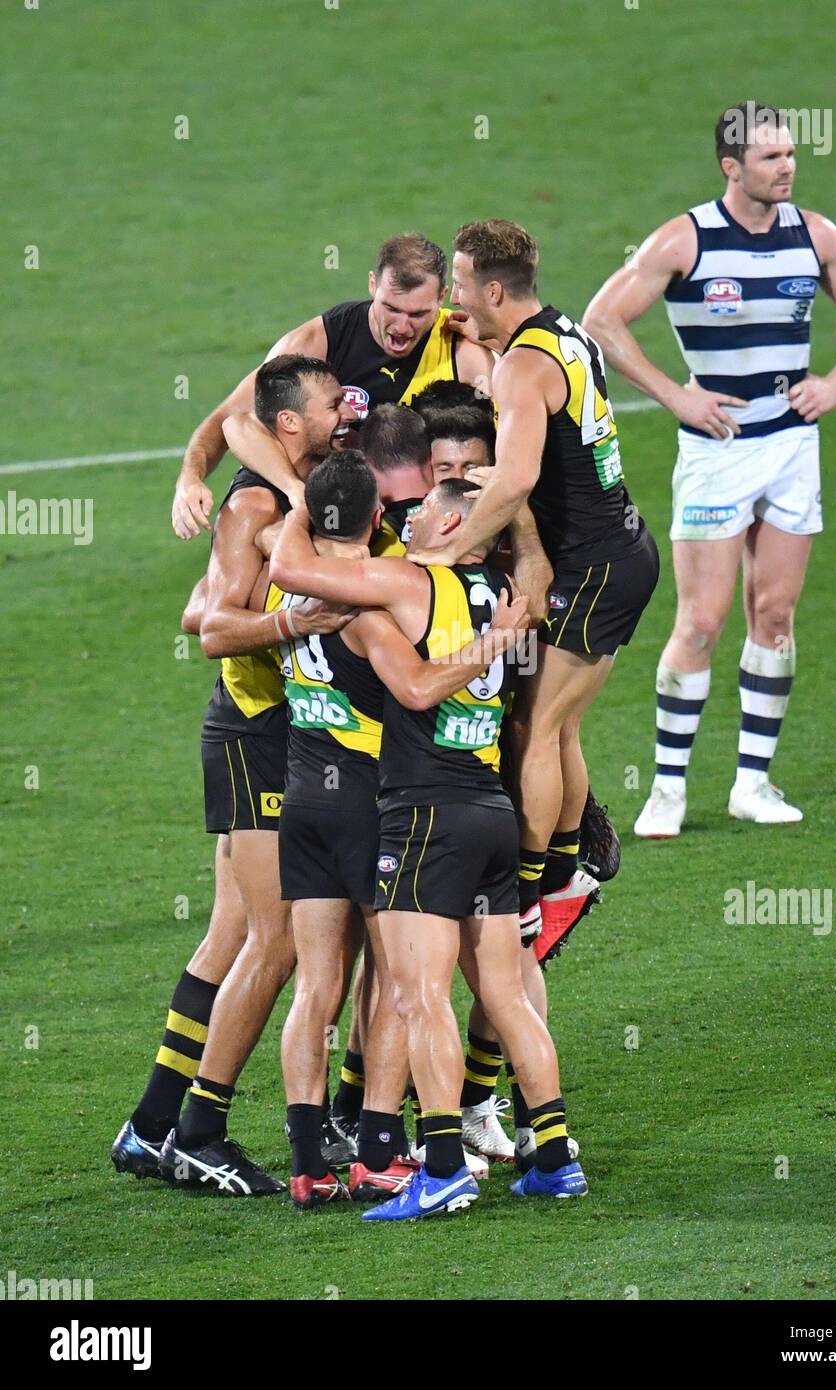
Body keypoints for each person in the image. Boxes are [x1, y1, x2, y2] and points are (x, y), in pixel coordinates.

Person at [270, 478, 589, 1217]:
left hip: (425, 815)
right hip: (491, 810)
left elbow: (293, 573)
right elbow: (534, 588)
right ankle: (554, 1156)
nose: (409, 519)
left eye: (424, 511)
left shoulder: (406, 583)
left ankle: (441, 1166)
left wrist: (299, 500)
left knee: (419, 996)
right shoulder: (510, 588)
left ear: (453, 524)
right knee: (506, 996)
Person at [582, 102, 836, 836]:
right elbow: (601, 320)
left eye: (790, 156)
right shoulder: (685, 239)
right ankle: (668, 790)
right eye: (771, 158)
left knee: (775, 614)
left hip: (791, 448)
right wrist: (674, 395)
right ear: (732, 166)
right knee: (702, 620)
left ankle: (753, 782)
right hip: (718, 452)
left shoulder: (816, 235)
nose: (786, 168)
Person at [407, 220, 659, 963]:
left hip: (593, 565)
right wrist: (477, 331)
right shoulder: (560, 331)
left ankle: (539, 892)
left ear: (493, 288)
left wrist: (449, 549)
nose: (453, 298)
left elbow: (516, 476)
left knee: (534, 730)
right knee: (556, 725)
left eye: (460, 286)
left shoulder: (521, 367)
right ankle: (571, 861)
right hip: (617, 549)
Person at [154, 357, 358, 1194]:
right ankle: (200, 1128)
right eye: (325, 404)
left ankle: (152, 1122)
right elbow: (207, 626)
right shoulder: (255, 503)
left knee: (237, 933)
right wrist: (291, 618)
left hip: (297, 736)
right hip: (257, 736)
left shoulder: (318, 487)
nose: (343, 408)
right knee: (275, 941)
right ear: (286, 425)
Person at [172, 234, 493, 538]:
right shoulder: (320, 341)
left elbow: (508, 438)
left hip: (413, 515)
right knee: (251, 522)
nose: (401, 327)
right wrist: (190, 477)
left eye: (418, 314)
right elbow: (232, 419)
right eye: (391, 308)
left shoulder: (463, 350)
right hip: (323, 501)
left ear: (441, 297)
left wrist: (498, 345)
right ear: (372, 284)